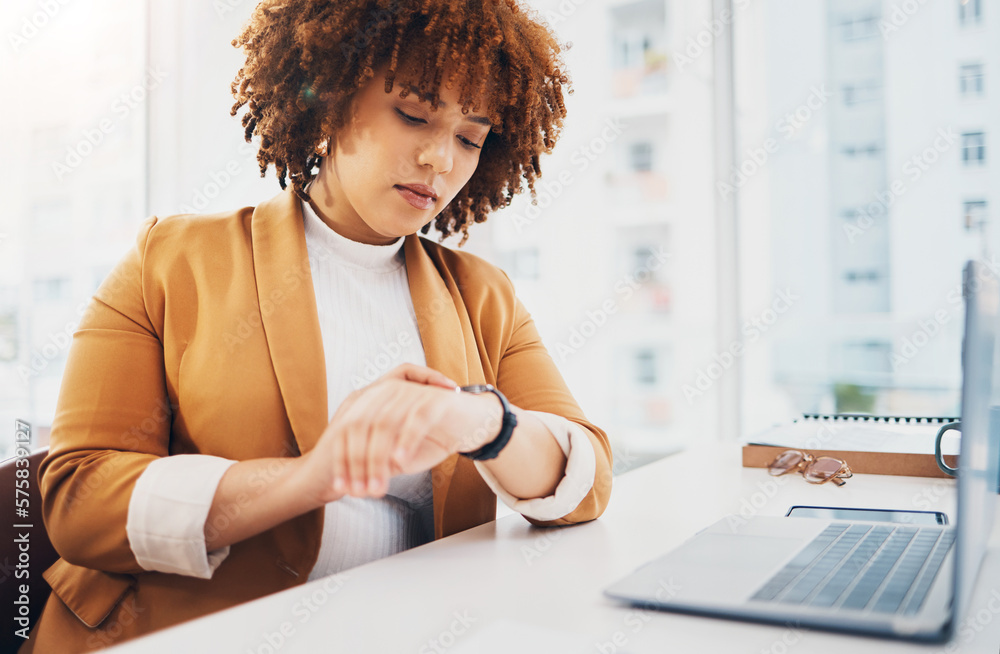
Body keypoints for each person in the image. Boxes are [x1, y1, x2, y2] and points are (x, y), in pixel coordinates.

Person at [22, 0, 612, 650]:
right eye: (414, 114)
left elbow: (586, 480)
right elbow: (78, 502)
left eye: (471, 138)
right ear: (332, 94)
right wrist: (310, 477)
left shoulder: (481, 296)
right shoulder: (171, 261)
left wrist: (483, 422)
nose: (440, 160)